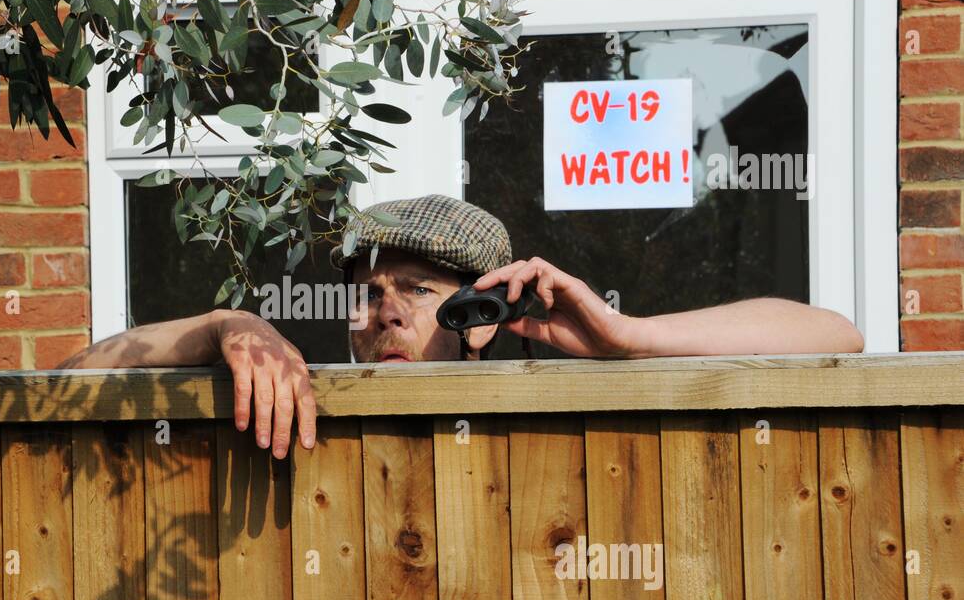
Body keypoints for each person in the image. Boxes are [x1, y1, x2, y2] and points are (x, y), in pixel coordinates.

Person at [59, 194, 864, 459]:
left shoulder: (543, 403)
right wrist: (224, 326)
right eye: (371, 291)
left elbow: (834, 335)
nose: (387, 310)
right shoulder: (292, 395)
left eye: (415, 288)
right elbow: (71, 381)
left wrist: (624, 337)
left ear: (480, 318)